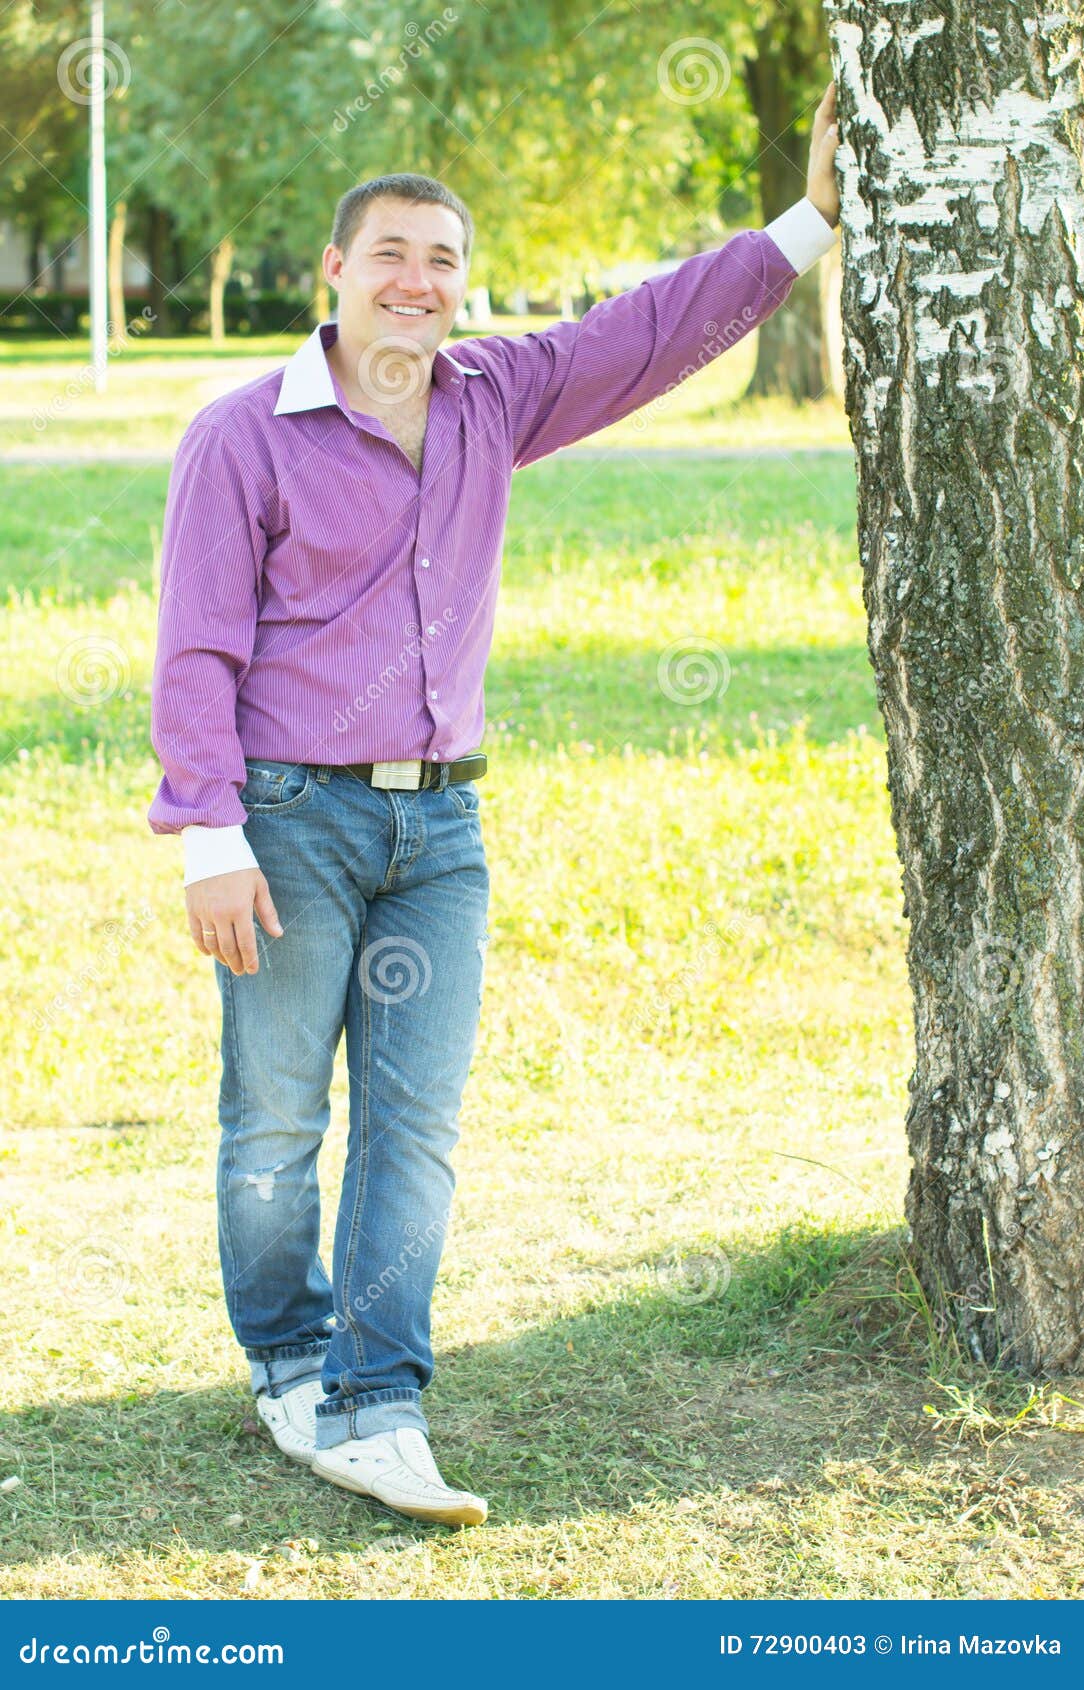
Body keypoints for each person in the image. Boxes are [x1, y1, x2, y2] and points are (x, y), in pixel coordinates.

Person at [147, 85, 841, 1528]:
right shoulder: (242, 436)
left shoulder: (494, 398)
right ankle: (288, 1356)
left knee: (416, 1119)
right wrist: (209, 834)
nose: (419, 281)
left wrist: (810, 219)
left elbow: (645, 333)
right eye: (391, 252)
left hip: (439, 835)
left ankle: (374, 1393)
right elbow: (196, 646)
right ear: (332, 272)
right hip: (286, 820)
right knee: (275, 1119)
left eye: (444, 258)